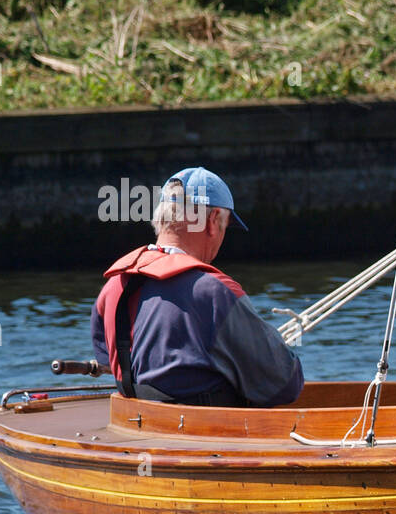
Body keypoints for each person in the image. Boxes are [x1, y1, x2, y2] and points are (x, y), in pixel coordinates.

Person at [90, 166, 304, 407]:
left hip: (135, 426)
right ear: (212, 222)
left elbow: (108, 359)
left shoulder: (112, 288)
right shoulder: (214, 292)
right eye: (224, 226)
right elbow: (285, 384)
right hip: (207, 434)